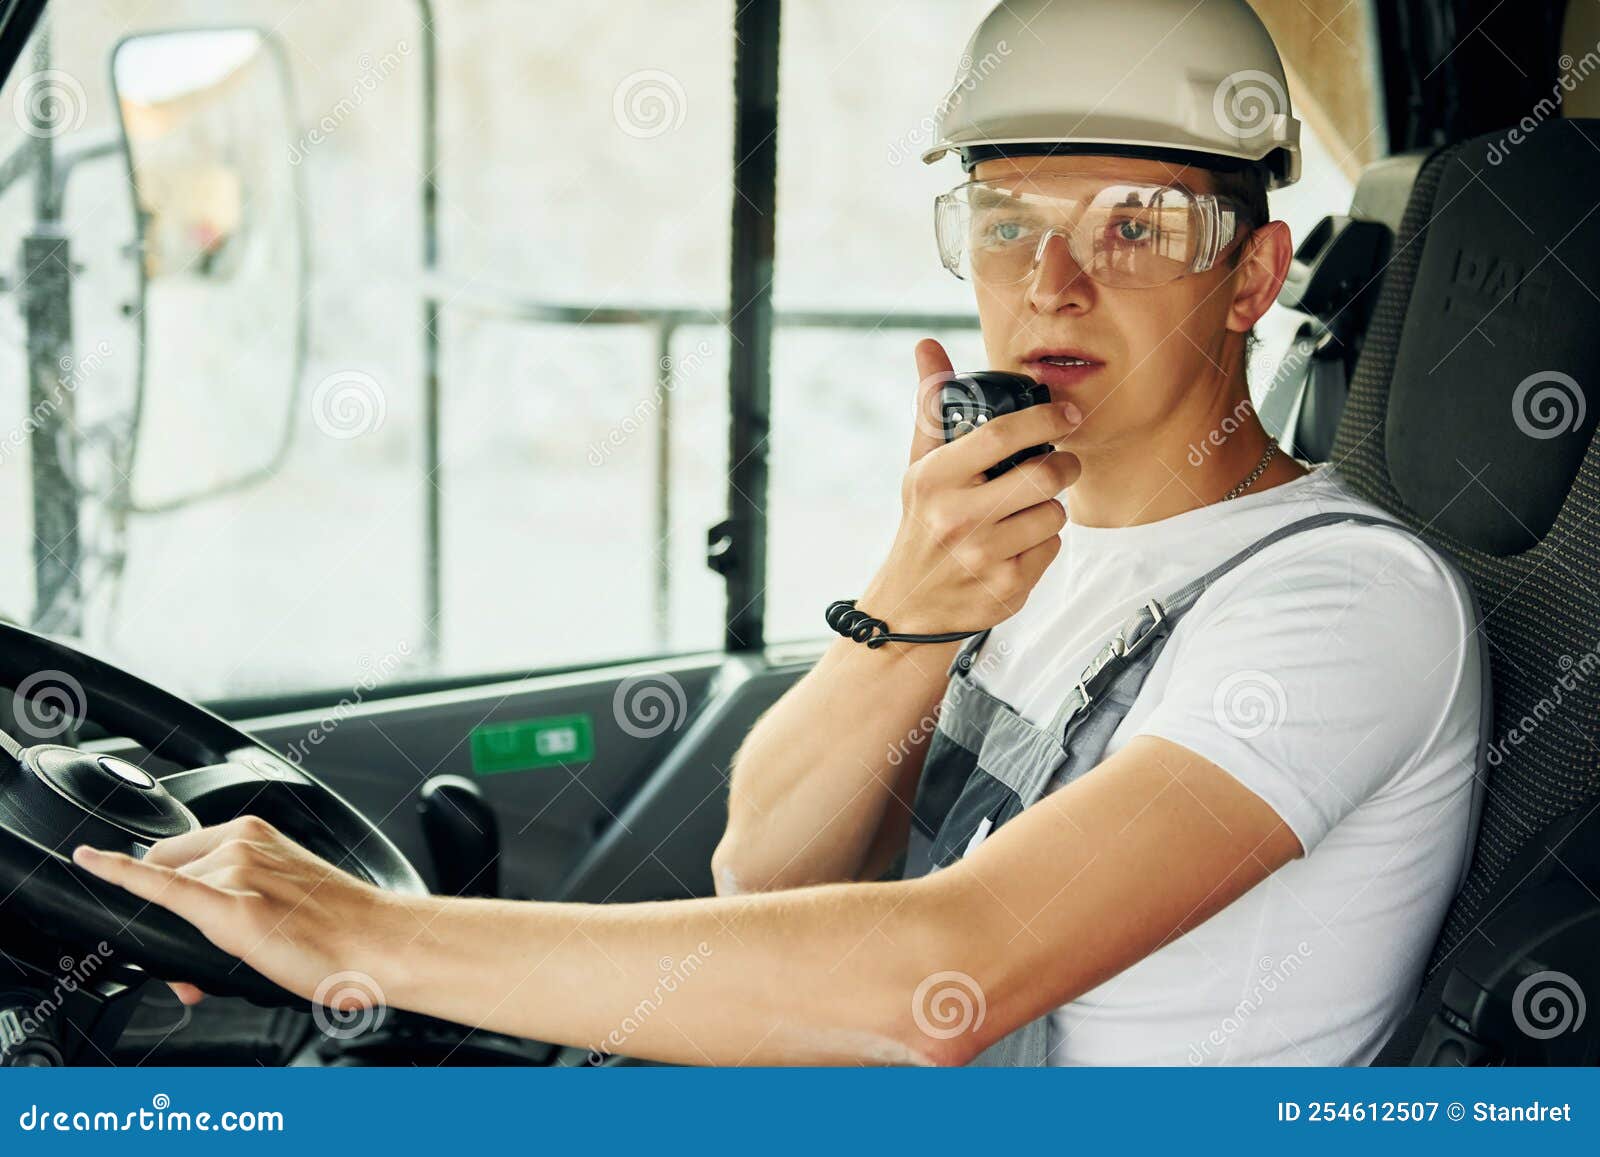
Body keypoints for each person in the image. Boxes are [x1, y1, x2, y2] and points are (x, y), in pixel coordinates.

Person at [75, 0, 1486, 1066]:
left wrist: (361, 934)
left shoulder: (1350, 603)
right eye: (1005, 222)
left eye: (1135, 228)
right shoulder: (1013, 531)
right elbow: (766, 871)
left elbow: (955, 973)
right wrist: (913, 604)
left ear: (1252, 276)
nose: (1051, 283)